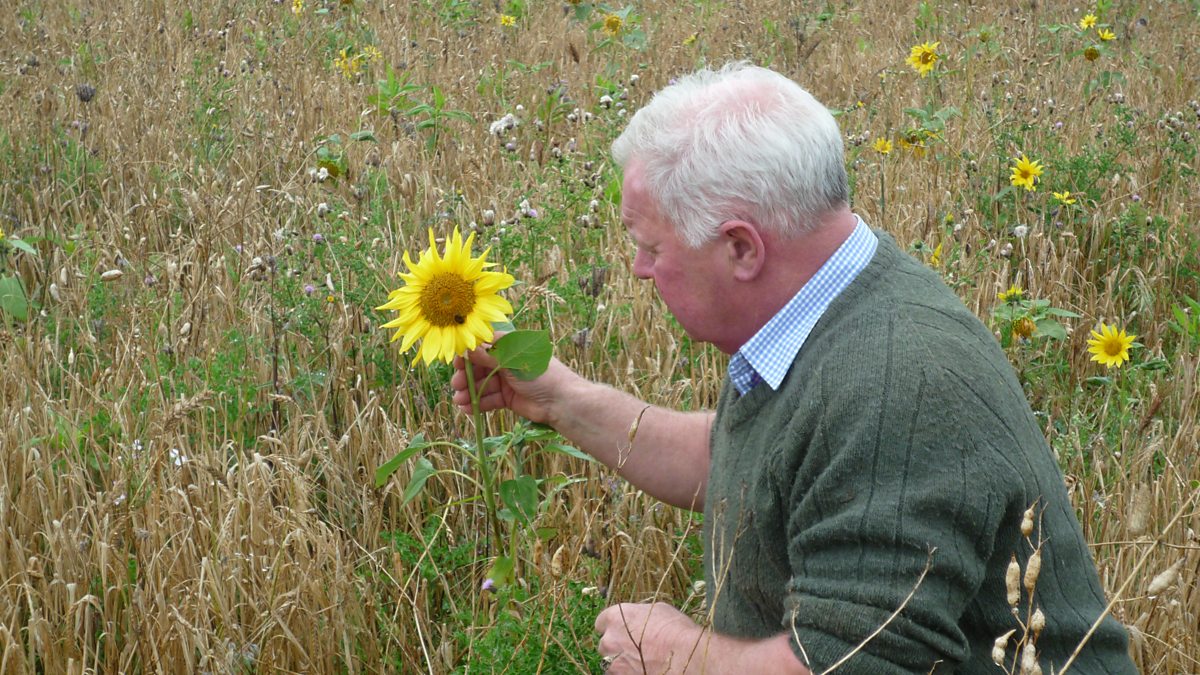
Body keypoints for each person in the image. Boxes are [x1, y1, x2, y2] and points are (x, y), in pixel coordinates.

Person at [452, 63, 1137, 674]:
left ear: (742, 248)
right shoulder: (830, 306)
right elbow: (753, 468)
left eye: (650, 246)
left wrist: (680, 655)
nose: (637, 269)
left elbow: (854, 664)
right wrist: (556, 398)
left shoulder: (899, 381)